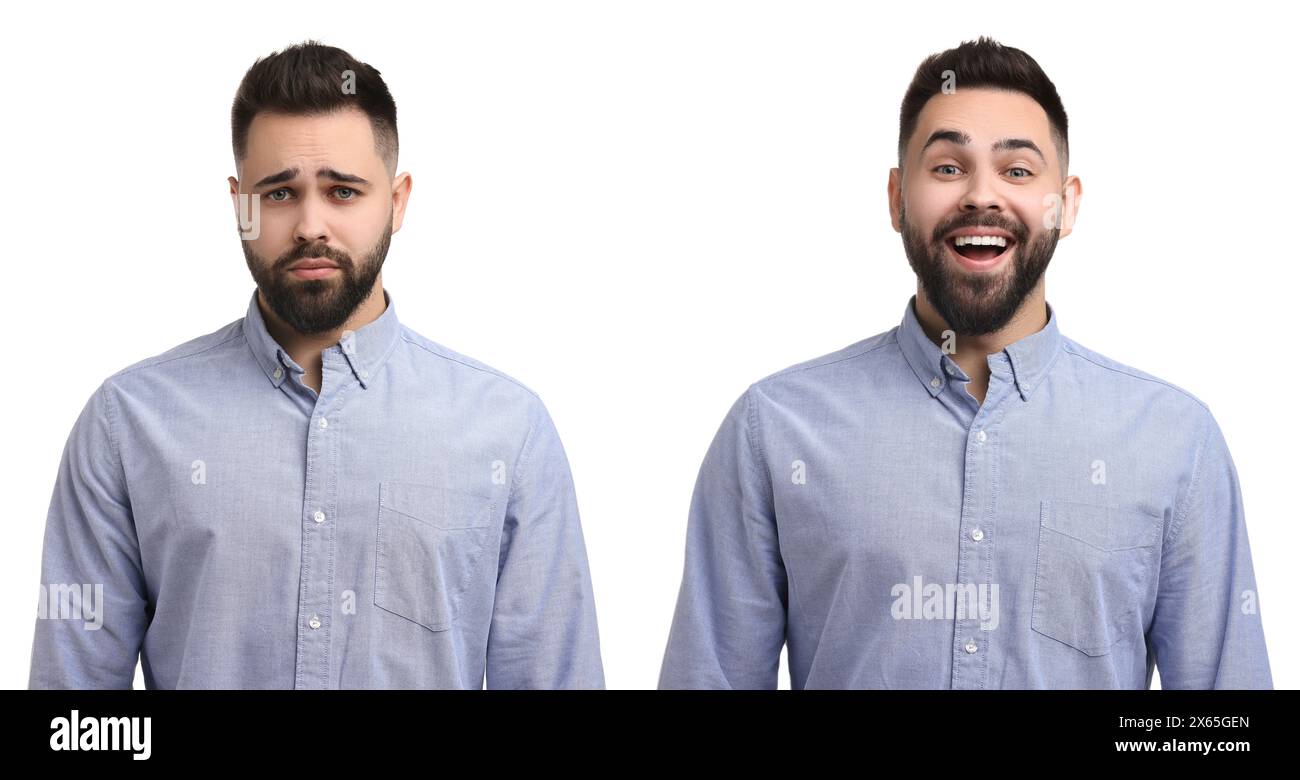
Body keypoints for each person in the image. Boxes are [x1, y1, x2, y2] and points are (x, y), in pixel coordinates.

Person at [658, 36, 1271, 689]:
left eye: (1017, 171)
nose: (982, 196)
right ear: (896, 199)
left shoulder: (1175, 442)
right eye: (948, 168)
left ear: (1066, 205)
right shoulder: (774, 430)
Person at [29, 40, 603, 689]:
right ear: (240, 204)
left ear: (397, 199)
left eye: (343, 190)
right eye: (278, 194)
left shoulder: (508, 430)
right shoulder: (126, 424)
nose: (310, 224)